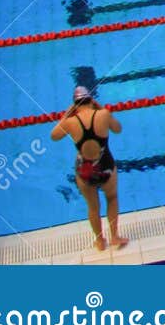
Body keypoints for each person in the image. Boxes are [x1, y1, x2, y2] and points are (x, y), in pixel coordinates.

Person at [51, 85, 129, 251]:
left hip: (84, 172)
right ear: (91, 100)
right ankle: (115, 237)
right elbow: (118, 129)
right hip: (106, 167)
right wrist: (101, 108)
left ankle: (100, 242)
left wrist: (67, 114)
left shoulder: (71, 122)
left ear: (75, 104)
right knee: (112, 199)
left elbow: (54, 136)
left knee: (93, 207)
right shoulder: (103, 115)